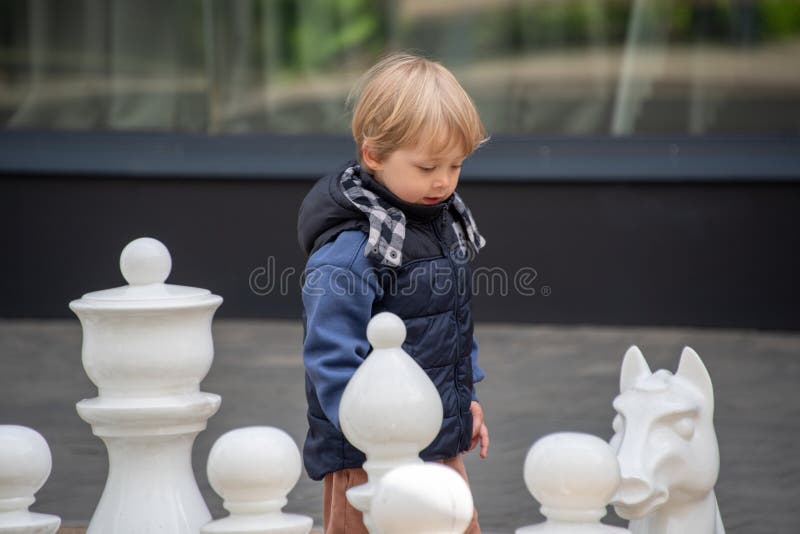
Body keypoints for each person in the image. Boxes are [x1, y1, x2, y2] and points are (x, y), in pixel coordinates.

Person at [297, 52, 490, 534]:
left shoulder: (440, 223)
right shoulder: (354, 250)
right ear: (373, 155)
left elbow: (451, 322)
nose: (443, 181)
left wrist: (464, 401)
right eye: (427, 167)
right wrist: (376, 434)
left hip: (437, 446)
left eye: (455, 165)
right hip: (370, 461)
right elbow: (331, 355)